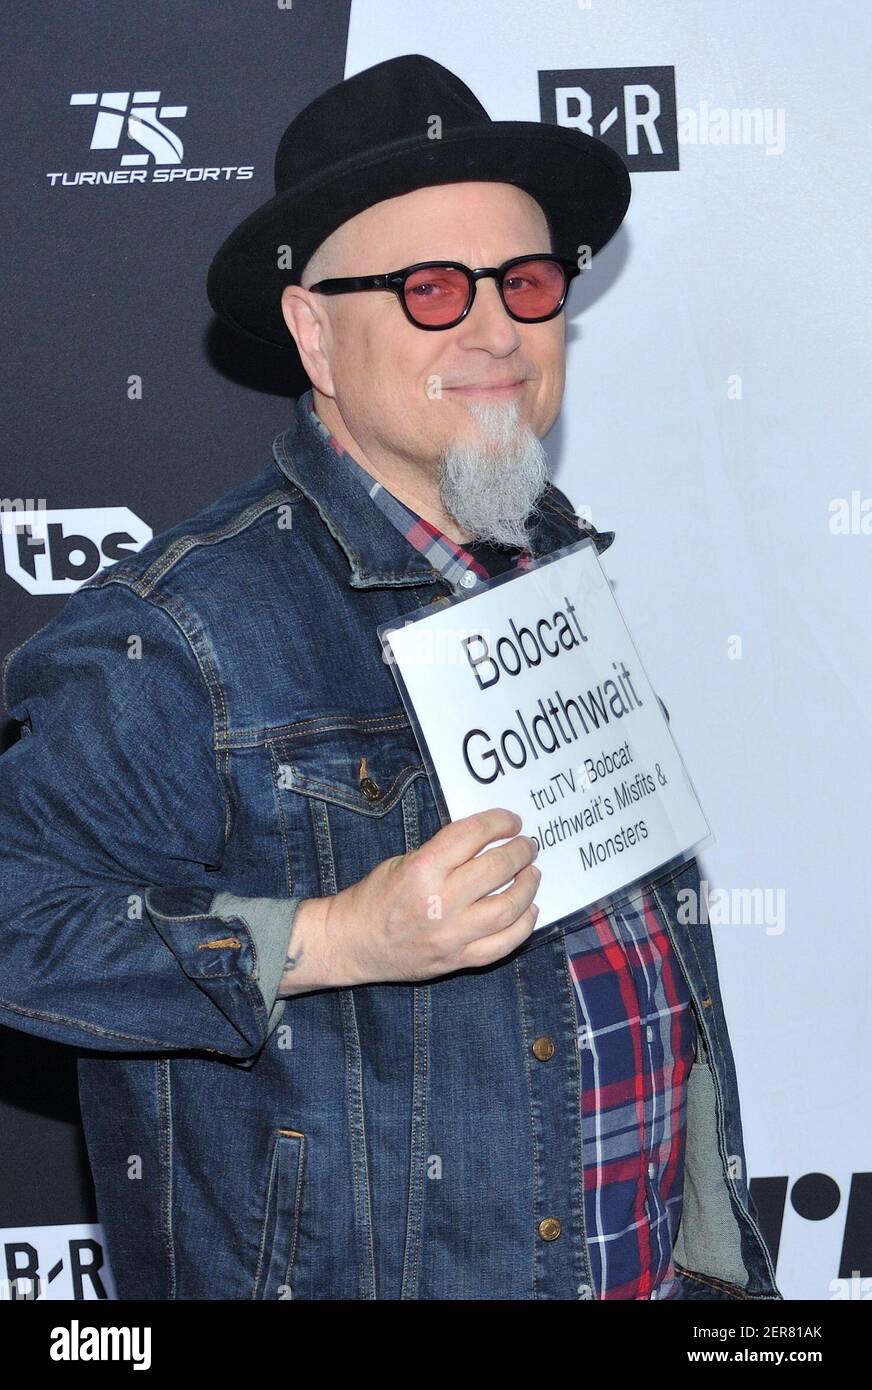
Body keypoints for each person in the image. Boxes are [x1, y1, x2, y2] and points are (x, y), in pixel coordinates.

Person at [0, 53, 781, 1301]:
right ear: (314, 329)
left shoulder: (549, 569)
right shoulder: (178, 629)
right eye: (428, 288)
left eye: (524, 283)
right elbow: (17, 927)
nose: (494, 330)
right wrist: (333, 936)